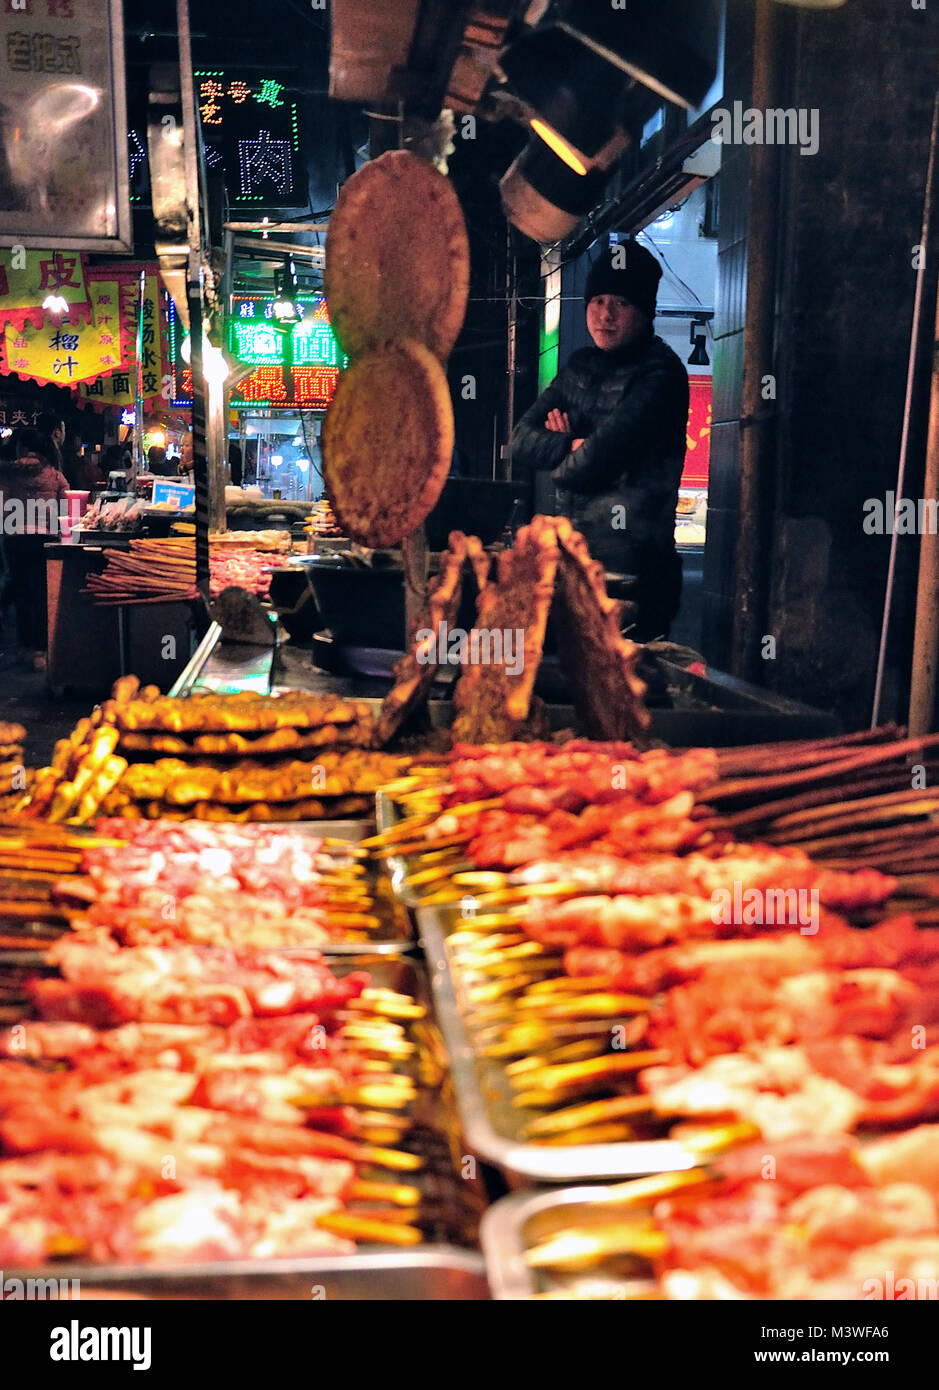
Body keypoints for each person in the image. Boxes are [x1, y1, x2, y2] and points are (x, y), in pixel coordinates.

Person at [511, 241, 689, 641]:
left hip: (635, 579)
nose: (605, 315)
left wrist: (575, 448)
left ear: (644, 311)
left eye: (621, 303)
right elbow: (521, 440)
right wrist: (573, 446)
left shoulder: (660, 375)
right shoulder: (579, 366)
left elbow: (591, 465)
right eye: (599, 300)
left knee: (623, 694)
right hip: (575, 570)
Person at [0, 427, 68, 669]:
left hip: (15, 538)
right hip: (45, 540)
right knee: (41, 594)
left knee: (21, 595)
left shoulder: (8, 474)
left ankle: (25, 646)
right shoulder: (54, 475)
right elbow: (68, 505)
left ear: (21, 447)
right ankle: (40, 650)